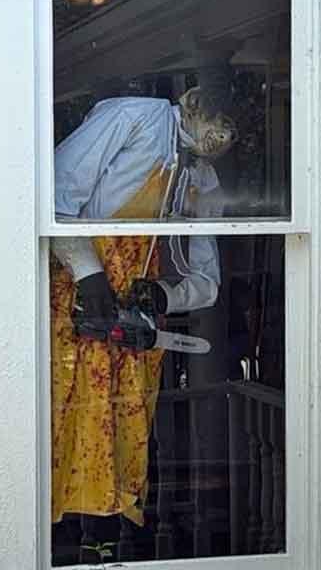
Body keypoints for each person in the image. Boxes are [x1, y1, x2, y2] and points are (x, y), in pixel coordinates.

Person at [50, 83, 237, 527]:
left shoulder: (201, 178)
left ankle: (103, 549)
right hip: (72, 303)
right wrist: (88, 273)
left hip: (131, 325)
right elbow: (53, 195)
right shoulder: (134, 118)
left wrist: (165, 295)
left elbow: (206, 278)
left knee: (119, 443)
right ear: (196, 101)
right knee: (58, 423)